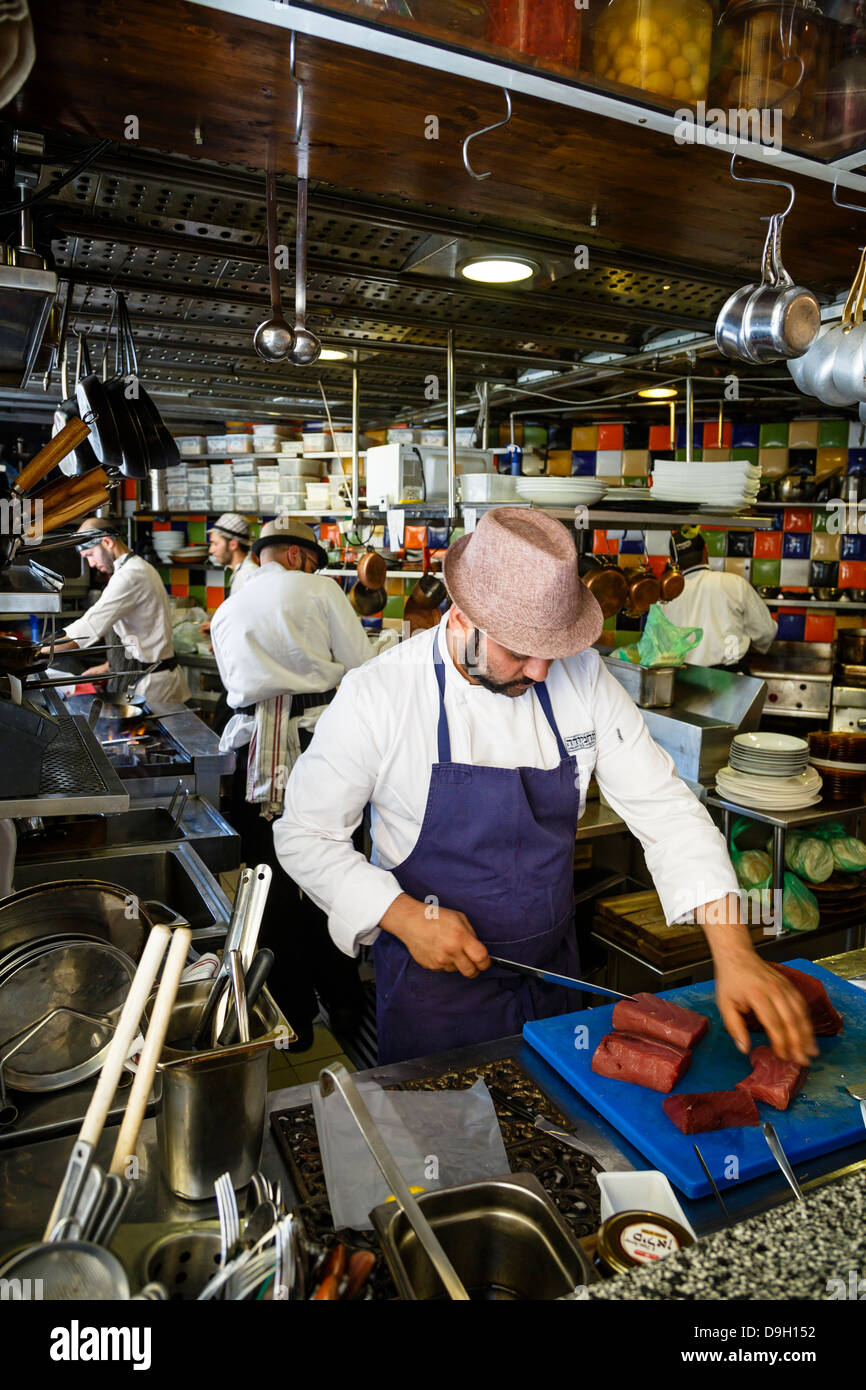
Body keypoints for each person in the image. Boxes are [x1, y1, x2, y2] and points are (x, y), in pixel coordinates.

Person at [274, 508, 815, 1068]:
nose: (539, 673)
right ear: (460, 618)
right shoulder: (380, 694)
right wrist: (401, 914)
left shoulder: (581, 675)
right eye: (520, 651)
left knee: (560, 1140)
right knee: (447, 1141)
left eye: (551, 650)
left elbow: (665, 808)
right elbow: (304, 836)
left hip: (555, 979)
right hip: (434, 989)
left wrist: (733, 952)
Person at [211, 514, 375, 1050]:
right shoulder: (320, 588)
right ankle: (346, 1005)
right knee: (333, 871)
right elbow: (361, 670)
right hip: (317, 747)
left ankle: (292, 1017)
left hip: (254, 757)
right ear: (302, 556)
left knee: (270, 883)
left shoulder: (227, 608)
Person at [49, 518, 190, 706]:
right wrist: (107, 667)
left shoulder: (130, 575)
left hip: (152, 685)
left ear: (107, 542)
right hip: (155, 676)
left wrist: (35, 654)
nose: (91, 564)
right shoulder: (136, 567)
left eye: (91, 554)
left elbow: (85, 629)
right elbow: (142, 634)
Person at [657, 526, 777, 668]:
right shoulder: (734, 584)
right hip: (728, 678)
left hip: (681, 678)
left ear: (673, 560)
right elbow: (766, 632)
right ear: (705, 550)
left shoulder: (664, 596)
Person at [201, 515, 257, 639]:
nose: (211, 550)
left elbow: (246, 625)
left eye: (215, 543)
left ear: (233, 545)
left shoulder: (247, 577)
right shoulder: (241, 572)